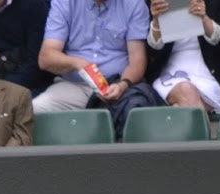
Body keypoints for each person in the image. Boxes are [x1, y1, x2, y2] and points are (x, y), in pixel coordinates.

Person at [34, 0, 160, 136]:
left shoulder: (134, 4)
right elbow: (46, 57)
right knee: (37, 108)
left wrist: (123, 84)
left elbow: (137, 61)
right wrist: (77, 63)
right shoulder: (65, 2)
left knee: (135, 111)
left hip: (116, 86)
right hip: (75, 85)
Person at [146, 0, 220, 113]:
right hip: (167, 74)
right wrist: (157, 24)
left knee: (184, 102)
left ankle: (180, 113)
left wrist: (204, 19)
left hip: (209, 74)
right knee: (186, 90)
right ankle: (202, 127)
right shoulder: (155, 2)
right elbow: (151, 54)